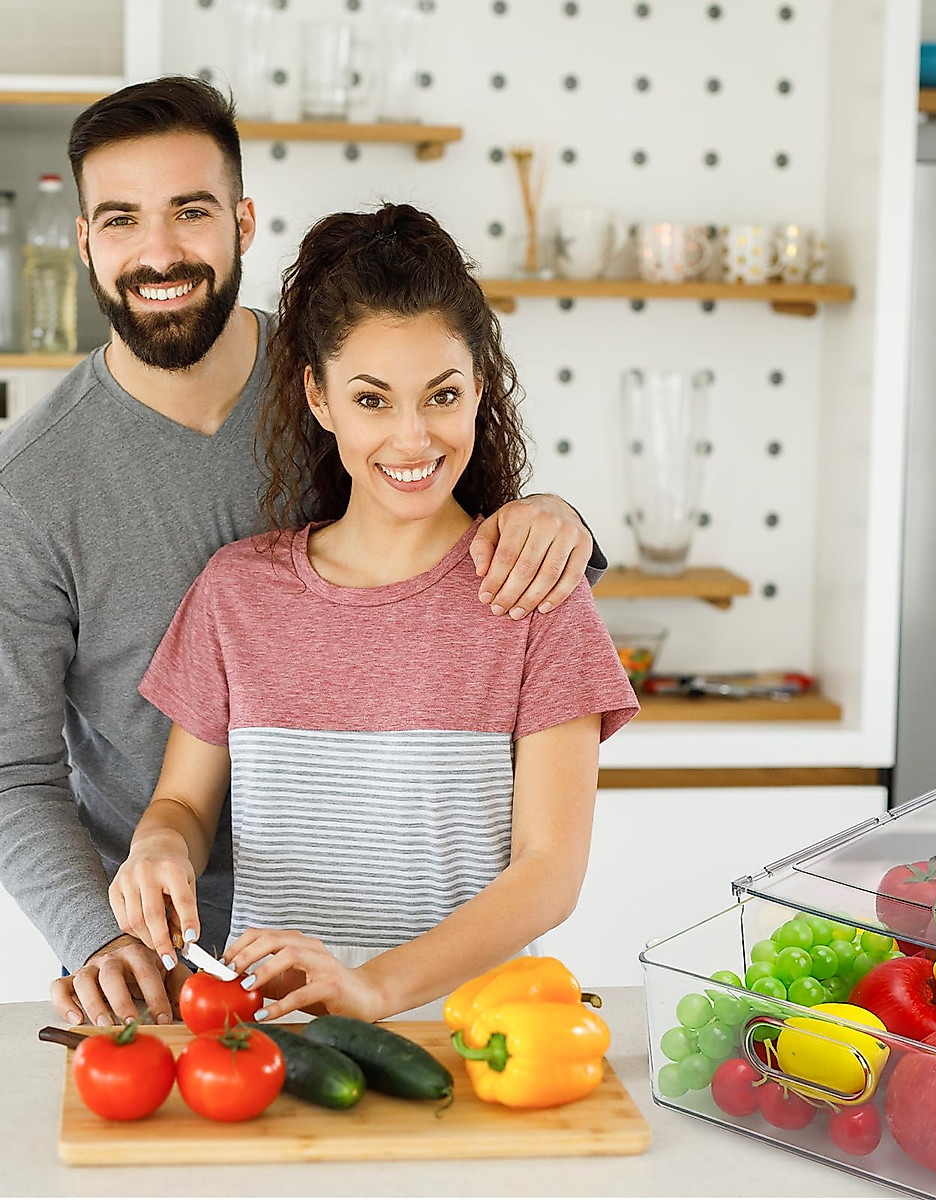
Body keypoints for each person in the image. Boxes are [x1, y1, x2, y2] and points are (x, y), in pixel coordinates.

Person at [0, 76, 605, 1030]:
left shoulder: (357, 361)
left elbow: (465, 538)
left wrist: (562, 522)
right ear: (84, 239)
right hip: (190, 961)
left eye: (191, 212)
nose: (159, 251)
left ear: (242, 221)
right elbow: (16, 772)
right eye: (121, 219)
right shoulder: (29, 489)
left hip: (441, 967)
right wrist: (102, 931)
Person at [107, 201, 638, 1021]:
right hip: (267, 1038)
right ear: (319, 398)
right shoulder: (237, 592)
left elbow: (549, 871)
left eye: (441, 394)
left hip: (473, 1043)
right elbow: (181, 806)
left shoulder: (539, 595)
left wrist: (375, 987)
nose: (413, 438)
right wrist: (156, 848)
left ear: (479, 390)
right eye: (372, 399)